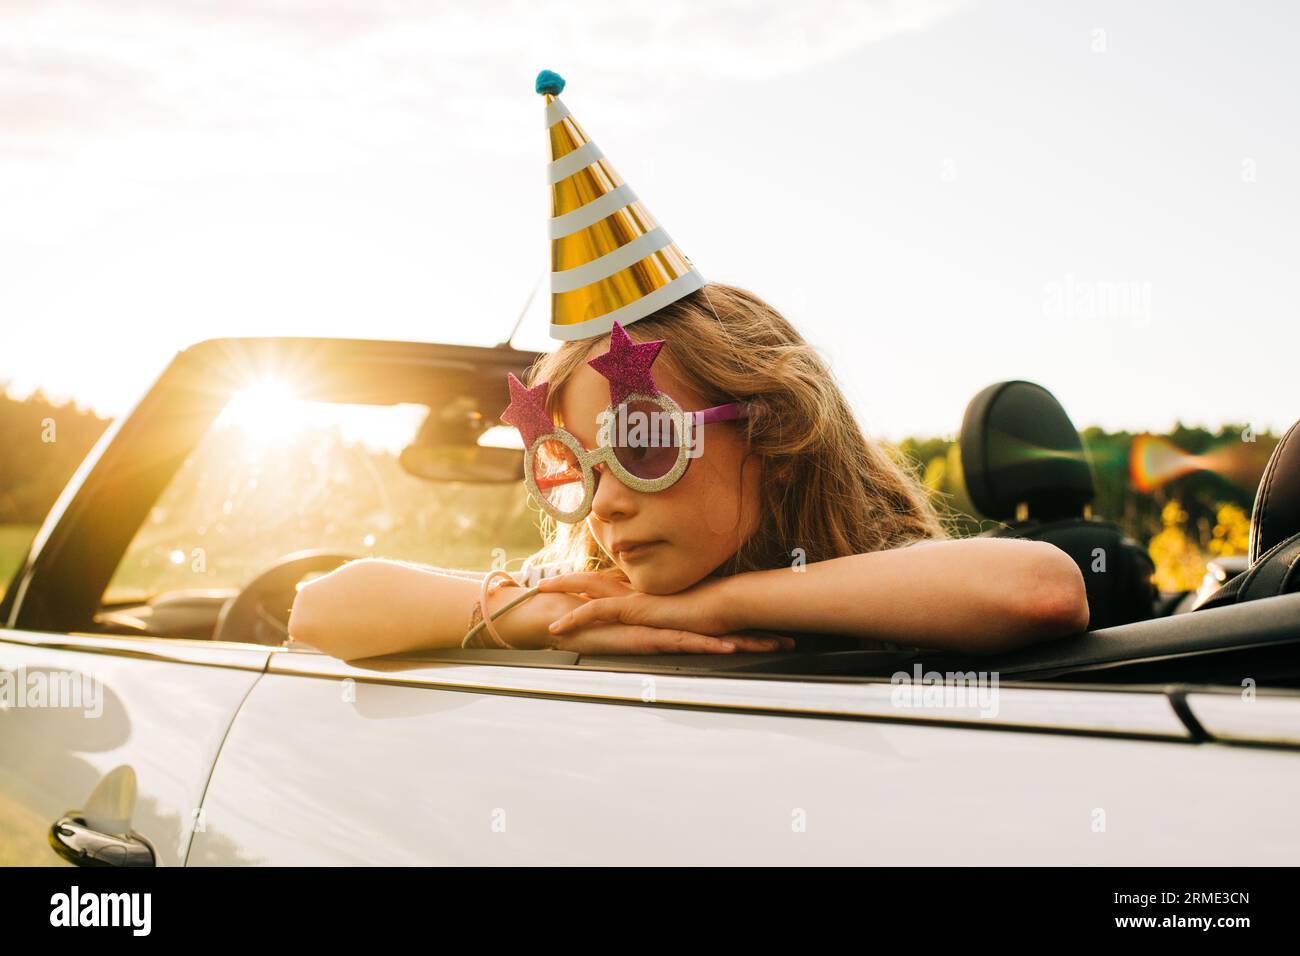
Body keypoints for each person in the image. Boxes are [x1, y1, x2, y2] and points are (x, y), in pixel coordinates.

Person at [287, 71, 1087, 661]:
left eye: (641, 442)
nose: (604, 504)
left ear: (775, 433)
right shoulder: (595, 592)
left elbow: (1041, 589)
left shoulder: (884, 581)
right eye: (569, 468)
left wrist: (723, 603)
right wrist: (527, 612)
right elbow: (321, 609)